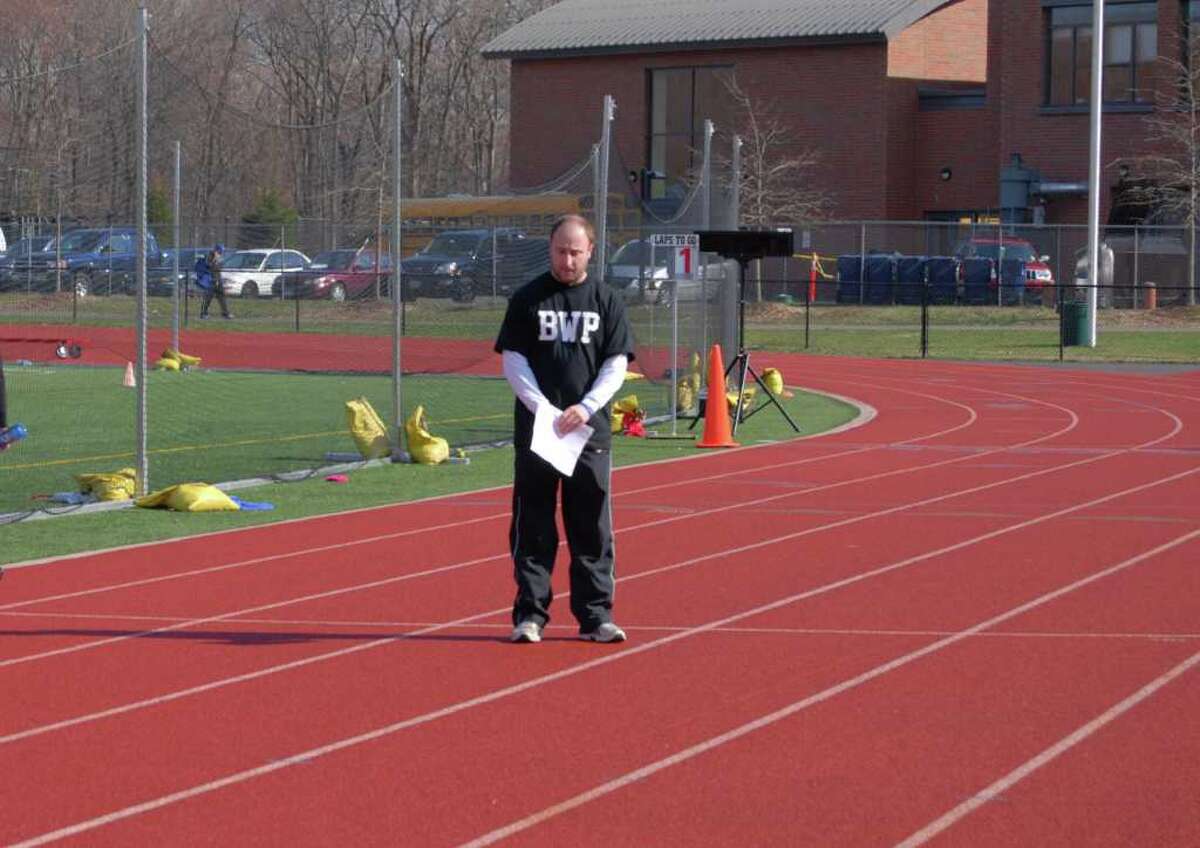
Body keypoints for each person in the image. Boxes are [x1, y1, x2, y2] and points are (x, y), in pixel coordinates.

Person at [494, 214, 637, 644]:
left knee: (591, 526)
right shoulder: (527, 299)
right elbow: (513, 360)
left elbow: (616, 364)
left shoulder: (606, 301)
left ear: (591, 251)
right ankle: (530, 615)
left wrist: (586, 407)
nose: (568, 260)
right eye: (561, 251)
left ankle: (596, 617)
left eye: (576, 252)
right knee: (533, 524)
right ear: (550, 249)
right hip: (541, 434)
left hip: (589, 434)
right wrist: (544, 409)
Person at [198, 243, 232, 319]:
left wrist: (218, 262)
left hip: (218, 280)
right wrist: (214, 260)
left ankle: (225, 313)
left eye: (221, 252)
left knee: (222, 297)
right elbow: (209, 266)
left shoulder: (219, 258)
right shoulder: (209, 256)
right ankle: (203, 313)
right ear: (215, 251)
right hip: (211, 280)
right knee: (208, 298)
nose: (220, 254)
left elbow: (220, 267)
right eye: (219, 252)